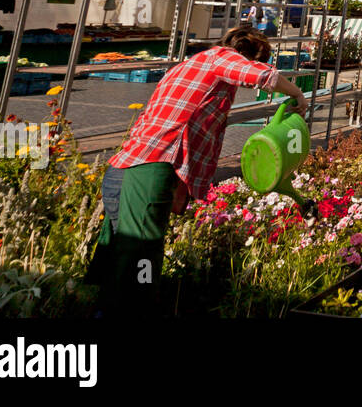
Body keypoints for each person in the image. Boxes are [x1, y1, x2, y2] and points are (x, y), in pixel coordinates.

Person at [86, 25, 307, 314]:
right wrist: (297, 94)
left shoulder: (189, 66)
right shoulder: (220, 59)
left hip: (127, 168)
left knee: (124, 258)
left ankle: (108, 310)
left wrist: (181, 186)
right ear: (247, 54)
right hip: (146, 170)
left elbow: (179, 128)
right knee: (144, 258)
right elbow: (263, 76)